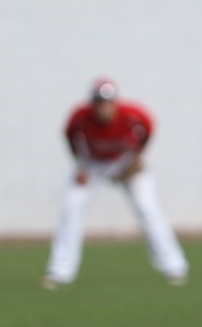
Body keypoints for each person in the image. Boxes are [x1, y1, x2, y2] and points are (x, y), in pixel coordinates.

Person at [43, 78, 187, 288]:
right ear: (92, 103)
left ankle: (174, 266)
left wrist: (138, 157)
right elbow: (70, 137)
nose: (104, 107)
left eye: (108, 102)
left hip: (124, 162)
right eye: (99, 102)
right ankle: (60, 271)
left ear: (115, 102)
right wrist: (80, 165)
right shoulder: (80, 117)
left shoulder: (133, 115)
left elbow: (148, 130)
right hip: (92, 164)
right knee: (71, 208)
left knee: (148, 209)